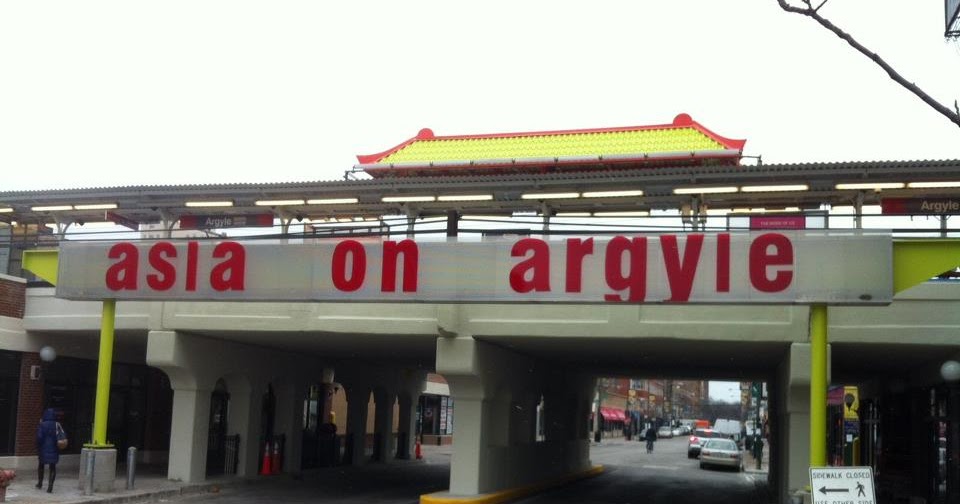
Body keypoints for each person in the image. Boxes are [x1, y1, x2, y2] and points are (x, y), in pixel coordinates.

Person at [35, 408, 61, 493]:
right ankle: (50, 487)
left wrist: (38, 445)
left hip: (43, 448)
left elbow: (39, 437)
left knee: (41, 465)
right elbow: (61, 435)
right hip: (54, 448)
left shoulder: (42, 424)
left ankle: (40, 483)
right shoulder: (57, 424)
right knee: (52, 467)